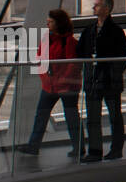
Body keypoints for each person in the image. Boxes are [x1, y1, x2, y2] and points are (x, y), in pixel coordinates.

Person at [16, 8, 81, 157]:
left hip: (63, 86)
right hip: (54, 85)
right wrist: (46, 77)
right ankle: (35, 146)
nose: (48, 23)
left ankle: (76, 147)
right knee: (44, 115)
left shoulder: (68, 42)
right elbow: (40, 58)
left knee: (67, 116)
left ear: (58, 23)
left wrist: (54, 78)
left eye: (50, 21)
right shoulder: (50, 39)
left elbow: (73, 64)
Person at [77, 0, 126, 161]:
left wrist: (112, 73)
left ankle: (116, 150)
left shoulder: (116, 32)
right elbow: (80, 52)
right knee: (92, 118)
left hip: (109, 81)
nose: (94, 8)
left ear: (107, 8)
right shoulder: (89, 30)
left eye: (97, 5)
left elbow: (123, 57)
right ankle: (95, 151)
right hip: (93, 81)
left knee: (114, 116)